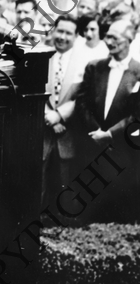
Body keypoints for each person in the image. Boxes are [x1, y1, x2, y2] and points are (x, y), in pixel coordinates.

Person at [74, 20, 140, 223]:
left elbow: (137, 115)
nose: (108, 41)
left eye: (114, 37)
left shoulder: (139, 71)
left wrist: (110, 134)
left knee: (121, 209)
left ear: (129, 39)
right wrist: (97, 132)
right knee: (91, 207)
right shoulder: (95, 68)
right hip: (92, 145)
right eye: (107, 36)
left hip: (123, 150)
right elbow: (82, 103)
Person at [41, 16, 89, 210]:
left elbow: (84, 96)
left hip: (68, 129)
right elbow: (33, 89)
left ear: (77, 36)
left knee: (65, 177)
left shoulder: (85, 62)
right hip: (42, 126)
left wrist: (59, 115)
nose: (62, 36)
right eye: (59, 31)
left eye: (68, 33)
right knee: (39, 176)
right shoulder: (41, 56)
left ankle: (64, 220)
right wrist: (48, 116)